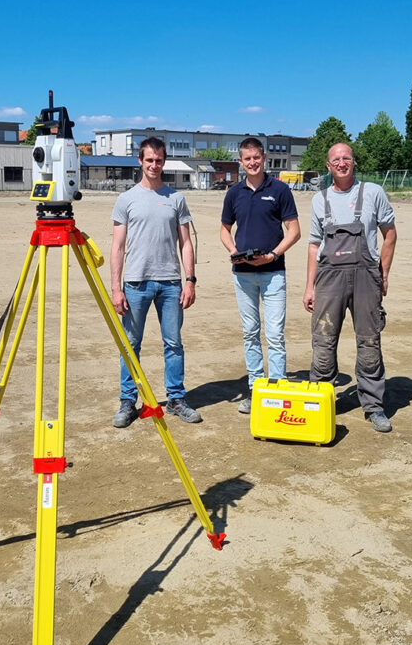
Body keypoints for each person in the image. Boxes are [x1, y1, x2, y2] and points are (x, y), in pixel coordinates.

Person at [302, 143, 397, 433]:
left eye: (346, 158)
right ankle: (322, 401)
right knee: (323, 341)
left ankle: (373, 405)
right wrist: (309, 287)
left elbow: (389, 234)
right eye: (335, 160)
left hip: (366, 277)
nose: (341, 163)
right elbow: (314, 245)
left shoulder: (373, 193)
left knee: (369, 341)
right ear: (328, 166)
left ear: (354, 162)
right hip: (328, 279)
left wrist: (384, 273)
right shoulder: (320, 200)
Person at [110, 137, 202, 427]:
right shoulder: (126, 199)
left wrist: (190, 281)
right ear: (140, 160)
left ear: (164, 162)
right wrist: (116, 287)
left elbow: (186, 243)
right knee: (131, 344)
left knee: (173, 343)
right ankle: (128, 401)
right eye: (149, 160)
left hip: (171, 283)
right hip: (136, 283)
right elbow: (117, 246)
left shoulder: (176, 198)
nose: (154, 165)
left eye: (159, 160)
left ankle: (175, 398)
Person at [220, 137, 300, 413]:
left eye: (256, 157)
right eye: (247, 159)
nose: (252, 162)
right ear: (240, 161)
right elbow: (224, 230)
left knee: (275, 334)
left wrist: (273, 255)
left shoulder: (279, 190)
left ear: (264, 157)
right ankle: (256, 388)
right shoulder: (234, 193)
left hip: (273, 272)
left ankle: (277, 388)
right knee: (250, 332)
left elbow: (294, 231)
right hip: (242, 274)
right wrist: (233, 250)